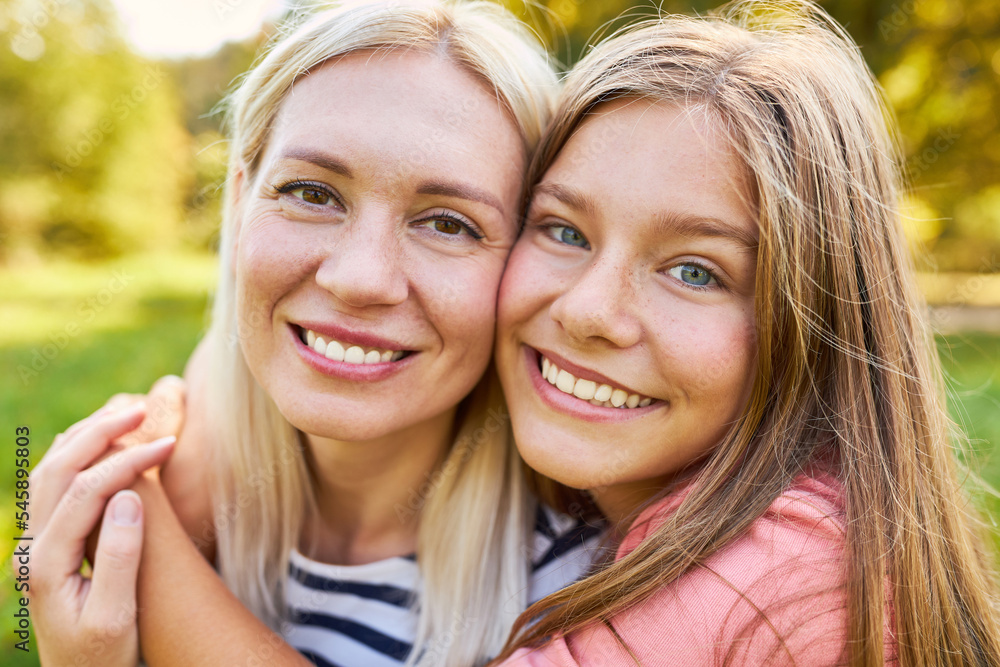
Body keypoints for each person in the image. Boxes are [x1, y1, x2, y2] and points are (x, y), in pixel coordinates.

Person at [27, 2, 603, 667]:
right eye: (312, 192)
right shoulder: (184, 484)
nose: (360, 279)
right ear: (240, 201)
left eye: (448, 223)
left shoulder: (576, 592)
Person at [491, 1, 1000, 664]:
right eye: (564, 230)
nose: (588, 310)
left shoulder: (775, 578)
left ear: (813, 326)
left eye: (695, 271)